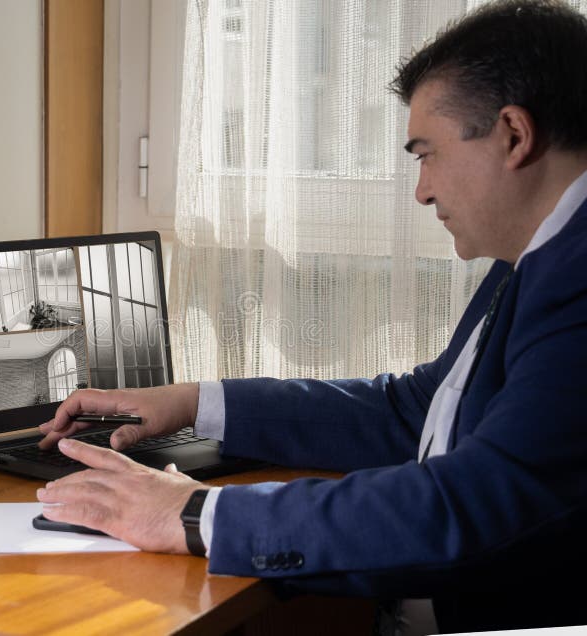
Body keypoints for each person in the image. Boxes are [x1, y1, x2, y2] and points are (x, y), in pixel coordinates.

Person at [36, 1, 587, 632]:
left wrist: (194, 513)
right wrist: (191, 402)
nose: (422, 190)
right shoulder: (540, 254)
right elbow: (417, 411)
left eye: (426, 153)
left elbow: (477, 502)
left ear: (514, 135)